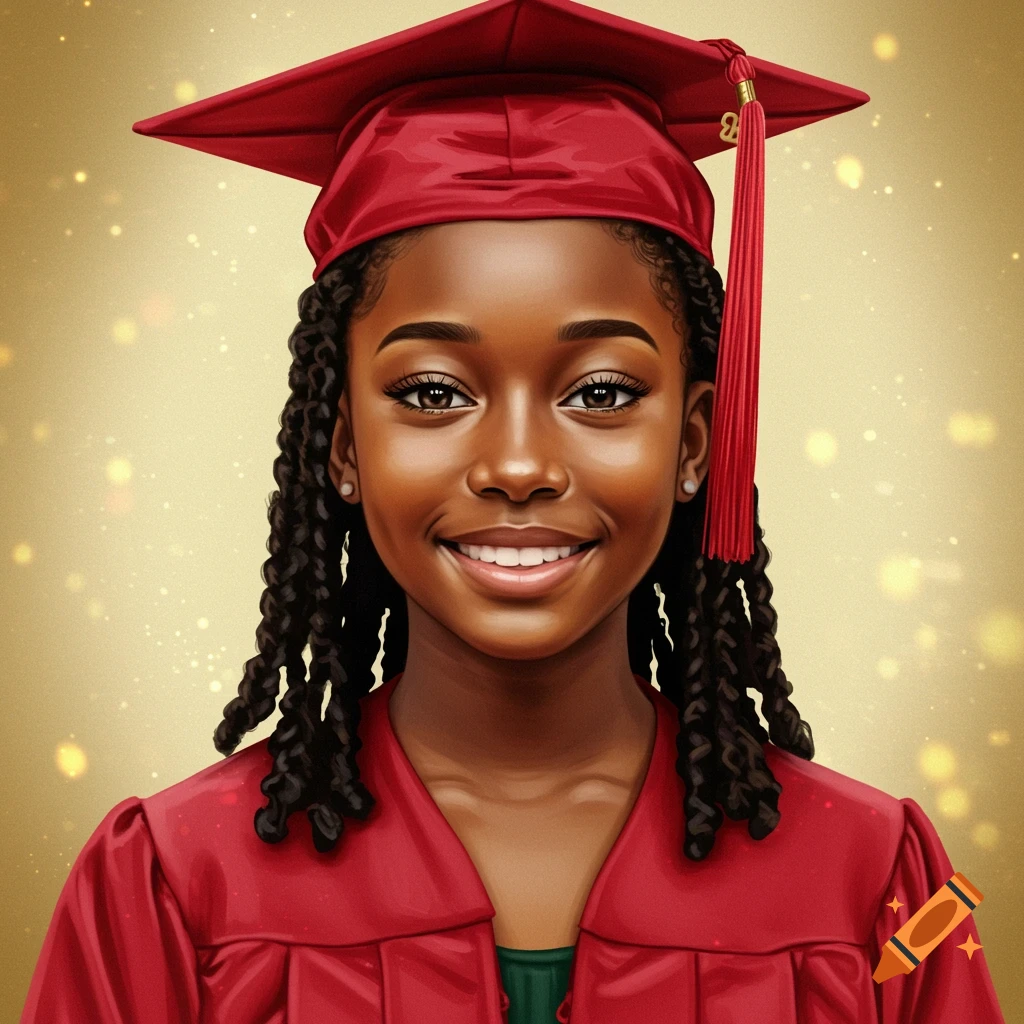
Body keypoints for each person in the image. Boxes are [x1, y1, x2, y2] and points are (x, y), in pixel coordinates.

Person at [20, 1, 1008, 1022]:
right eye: (435, 392)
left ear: (697, 444)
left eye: (603, 392)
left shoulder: (890, 887)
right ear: (344, 446)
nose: (521, 464)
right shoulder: (171, 885)